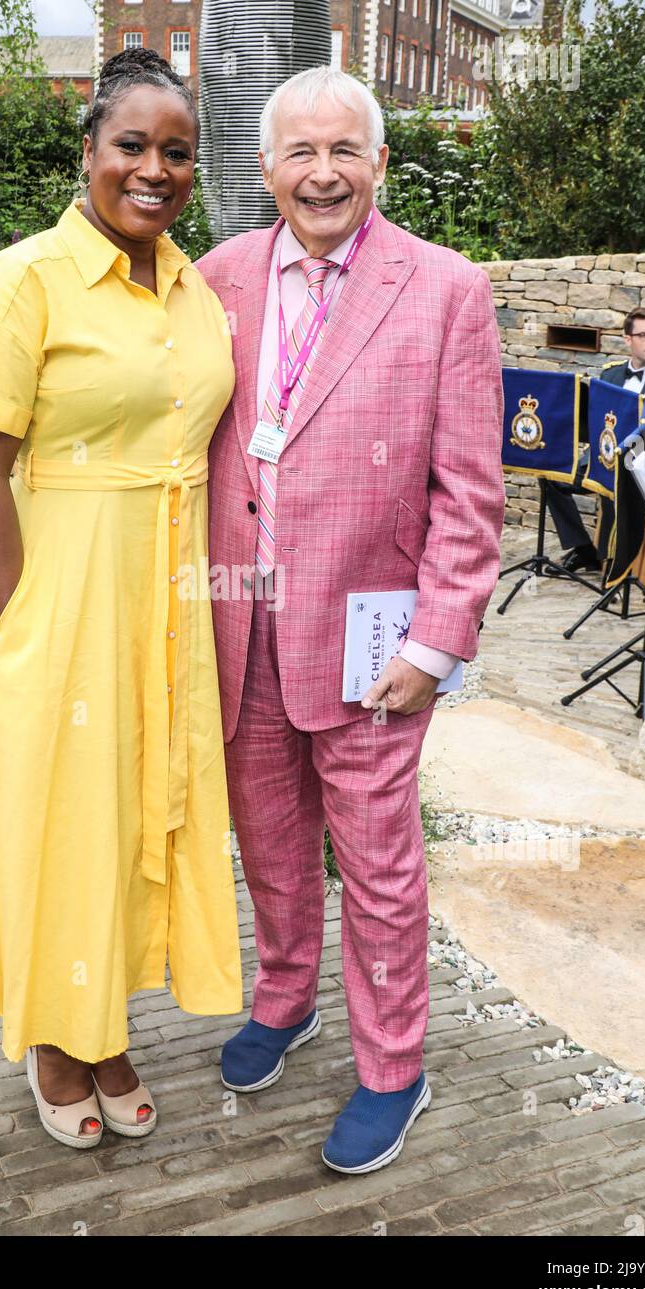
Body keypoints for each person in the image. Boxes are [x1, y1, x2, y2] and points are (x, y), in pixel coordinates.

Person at [0, 48, 242, 1151]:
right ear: (89, 149)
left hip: (169, 601)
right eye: (132, 145)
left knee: (135, 810)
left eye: (176, 152)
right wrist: (20, 635)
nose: (153, 169)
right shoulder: (21, 282)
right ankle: (55, 1041)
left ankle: (103, 1023)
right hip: (59, 598)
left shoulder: (196, 287)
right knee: (61, 818)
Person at [195, 67, 505, 1175]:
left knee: (376, 865)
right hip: (239, 629)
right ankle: (284, 1000)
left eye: (343, 151)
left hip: (376, 640)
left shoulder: (446, 288)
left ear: (379, 163)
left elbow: (471, 491)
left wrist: (436, 642)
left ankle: (392, 1068)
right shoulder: (216, 278)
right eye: (298, 152)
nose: (320, 172)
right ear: (266, 167)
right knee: (271, 846)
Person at [541, 306, 645, 574]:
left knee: (614, 485)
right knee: (551, 476)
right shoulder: (610, 373)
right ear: (627, 339)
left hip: (641, 465)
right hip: (601, 457)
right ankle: (584, 550)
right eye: (644, 335)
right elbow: (595, 421)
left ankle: (615, 569)